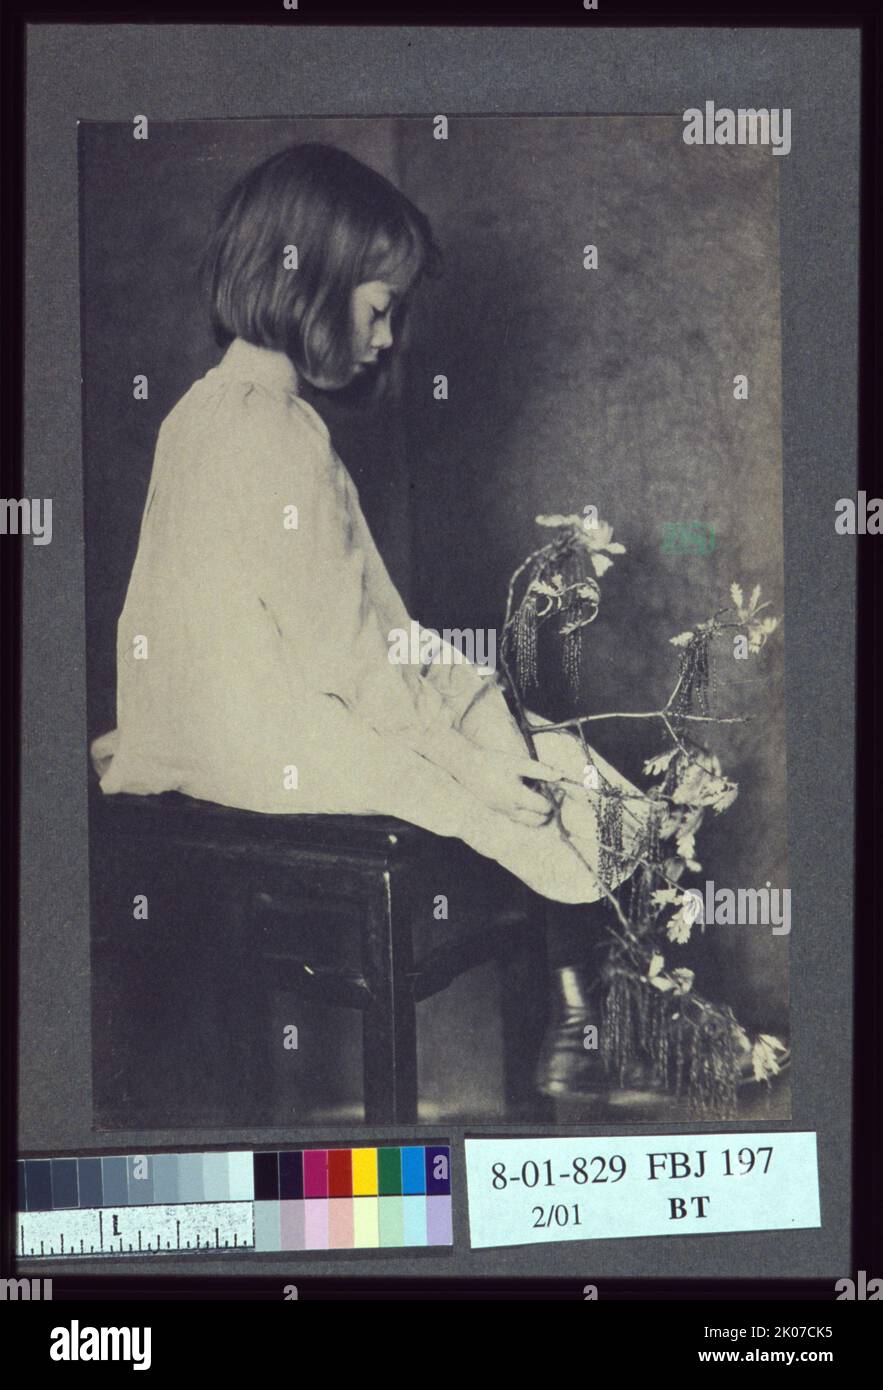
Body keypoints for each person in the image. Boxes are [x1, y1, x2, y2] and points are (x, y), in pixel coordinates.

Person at [91, 142, 656, 1104]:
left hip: (194, 718)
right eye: (378, 306)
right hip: (268, 730)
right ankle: (589, 1005)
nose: (388, 338)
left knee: (482, 710)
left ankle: (591, 992)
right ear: (306, 280)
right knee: (522, 770)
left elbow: (312, 618)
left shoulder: (199, 411)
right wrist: (464, 754)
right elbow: (346, 654)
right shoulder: (277, 431)